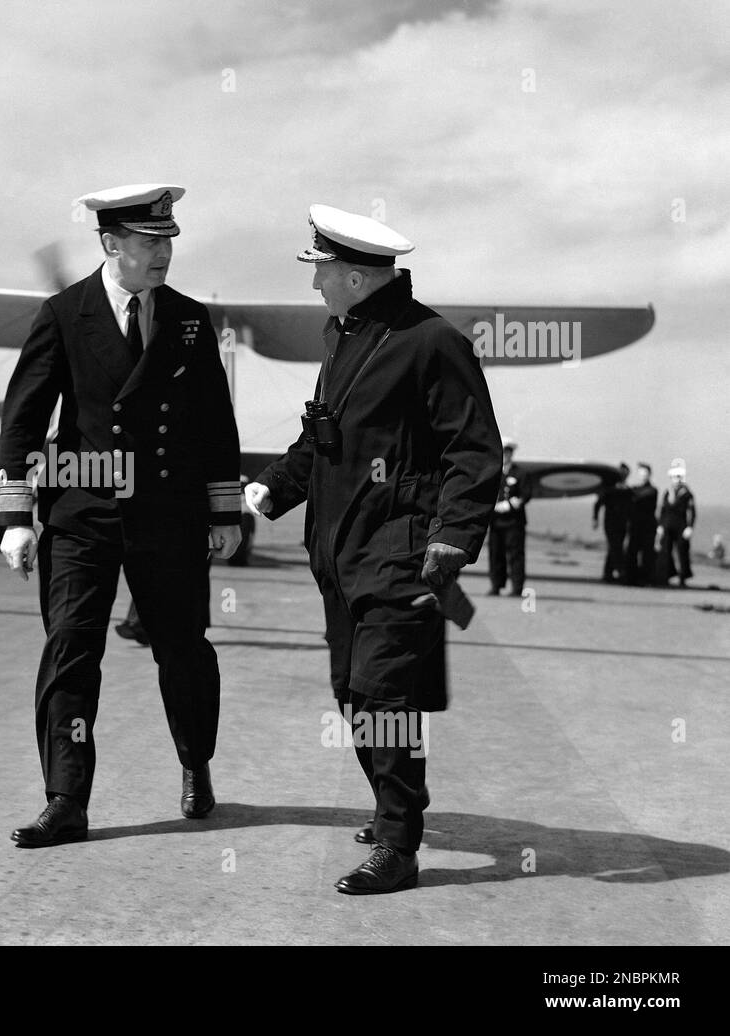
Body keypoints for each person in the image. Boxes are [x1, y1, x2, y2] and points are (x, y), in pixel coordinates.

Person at [245, 204, 501, 894]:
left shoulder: (433, 342)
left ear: (356, 277)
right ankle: (391, 808)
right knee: (350, 691)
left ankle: (399, 841)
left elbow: (472, 451)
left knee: (384, 691)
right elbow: (324, 439)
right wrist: (270, 488)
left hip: (401, 551)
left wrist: (450, 541)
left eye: (322, 271)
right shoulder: (344, 334)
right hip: (338, 551)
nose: (315, 284)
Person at [0, 184, 242, 847]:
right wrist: (17, 516)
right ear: (111, 244)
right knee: (70, 652)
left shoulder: (191, 320)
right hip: (84, 513)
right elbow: (22, 420)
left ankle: (195, 762)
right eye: (149, 242)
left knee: (183, 652)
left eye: (168, 242)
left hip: (169, 516)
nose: (163, 253)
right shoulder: (63, 314)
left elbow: (217, 422)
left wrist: (225, 513)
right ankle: (66, 800)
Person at [487, 438, 529, 596]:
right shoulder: (493, 472)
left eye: (508, 452)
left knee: (516, 555)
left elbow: (526, 494)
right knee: (495, 554)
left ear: (512, 453)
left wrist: (510, 505)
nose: (506, 455)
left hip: (514, 522)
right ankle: (496, 586)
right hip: (496, 521)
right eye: (503, 451)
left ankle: (517, 588)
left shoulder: (521, 473)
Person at [658, 459, 696, 587]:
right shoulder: (668, 492)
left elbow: (692, 511)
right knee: (666, 551)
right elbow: (663, 510)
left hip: (681, 526)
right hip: (668, 525)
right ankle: (667, 575)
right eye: (675, 476)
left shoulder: (687, 493)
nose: (677, 479)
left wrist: (690, 527)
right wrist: (660, 525)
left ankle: (683, 577)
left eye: (679, 476)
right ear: (671, 477)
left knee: (682, 552)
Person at [592, 462, 632, 582]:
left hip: (623, 523)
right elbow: (598, 504)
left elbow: (631, 508)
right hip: (611, 523)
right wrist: (595, 518)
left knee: (614, 547)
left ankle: (608, 573)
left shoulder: (628, 491)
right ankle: (620, 571)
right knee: (616, 546)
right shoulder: (609, 489)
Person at [626, 462, 659, 585]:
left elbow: (642, 496)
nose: (643, 475)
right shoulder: (634, 490)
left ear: (649, 474)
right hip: (635, 526)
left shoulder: (652, 490)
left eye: (645, 473)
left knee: (647, 554)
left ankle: (646, 578)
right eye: (641, 473)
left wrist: (629, 493)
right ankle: (631, 578)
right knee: (632, 552)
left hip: (648, 526)